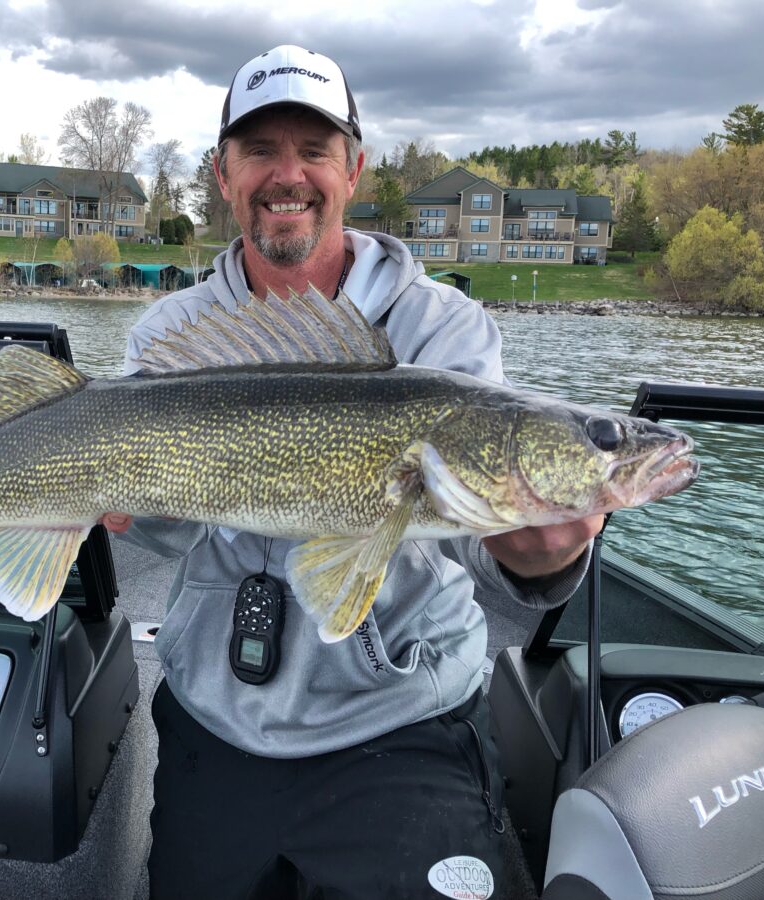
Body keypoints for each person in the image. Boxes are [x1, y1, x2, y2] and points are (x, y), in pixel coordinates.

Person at [103, 44, 603, 899]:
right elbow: (168, 529)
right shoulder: (170, 334)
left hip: (404, 722)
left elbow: (490, 553)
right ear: (223, 174)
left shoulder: (445, 329)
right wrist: (112, 505)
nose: (286, 175)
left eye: (315, 150)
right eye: (259, 150)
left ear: (354, 169)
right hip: (216, 716)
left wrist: (545, 554)